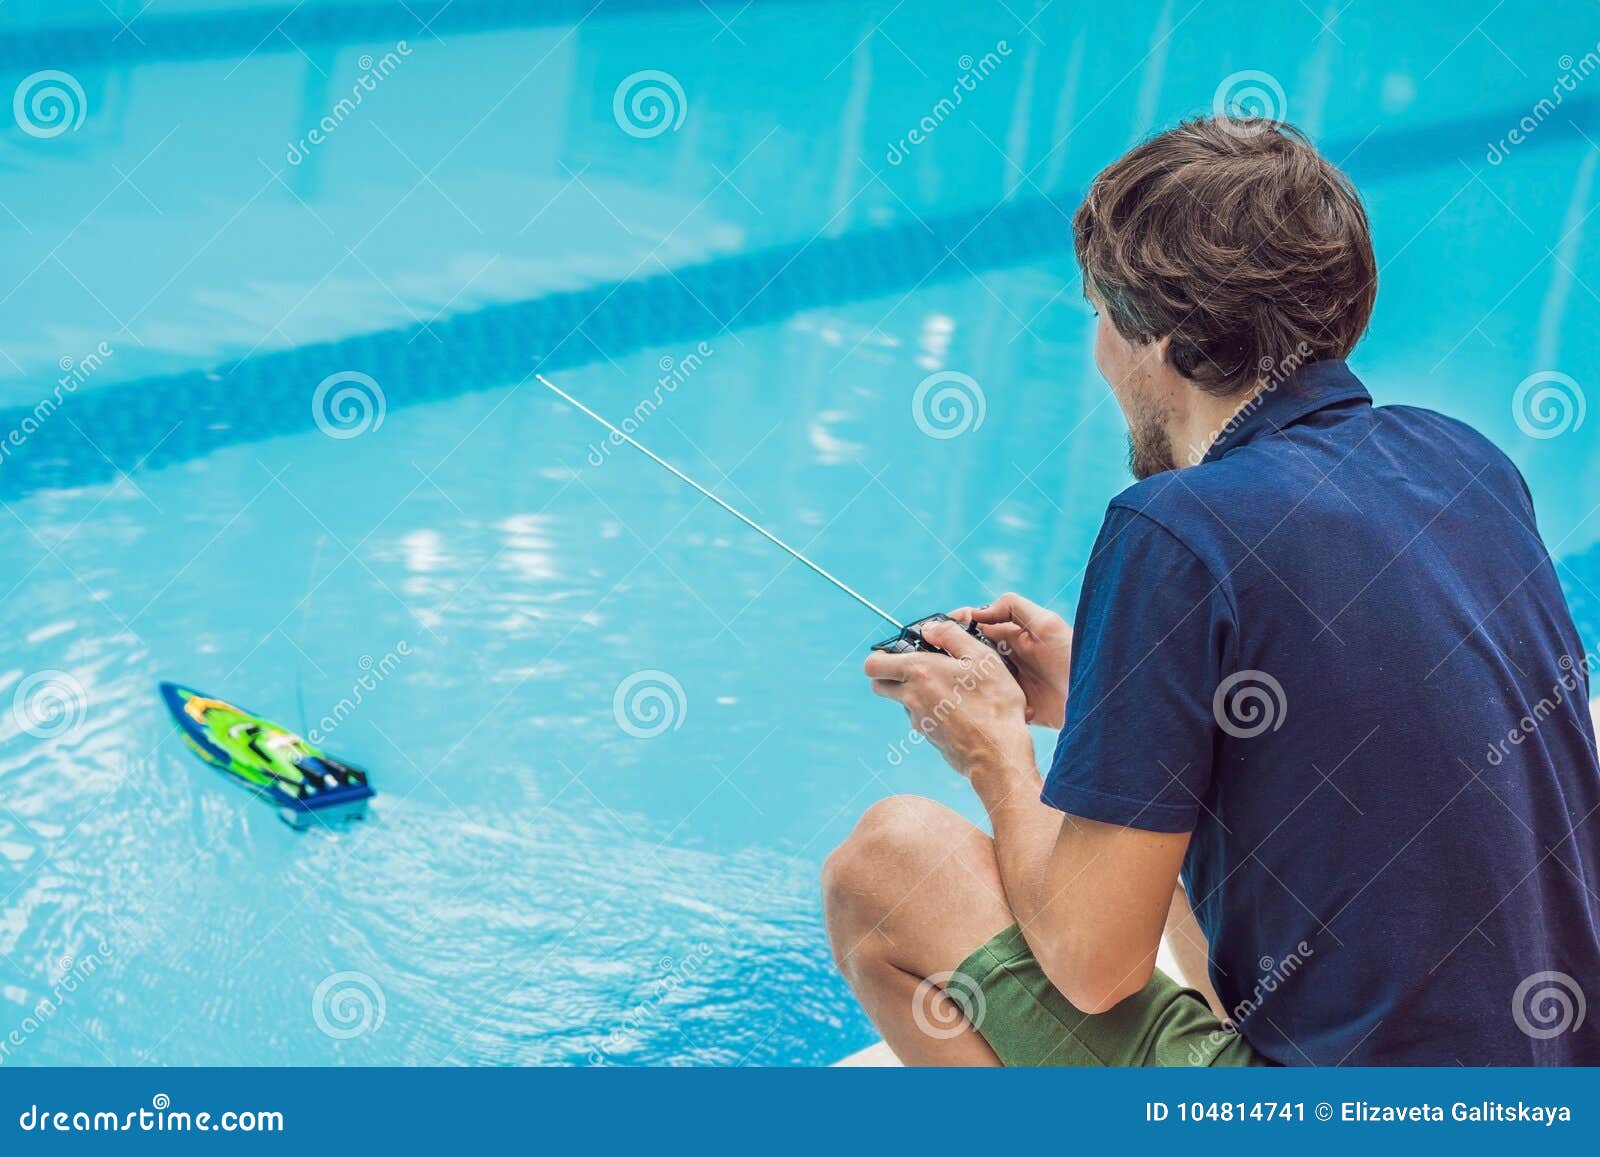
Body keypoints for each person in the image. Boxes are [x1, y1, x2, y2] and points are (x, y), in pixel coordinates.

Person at [823, 116, 1600, 1066]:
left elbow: (1092, 963)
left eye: (1101, 314)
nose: (1099, 348)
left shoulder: (1174, 526)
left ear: (1164, 343)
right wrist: (1104, 698)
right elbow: (1364, 733)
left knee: (888, 864)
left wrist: (995, 754)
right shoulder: (1465, 462)